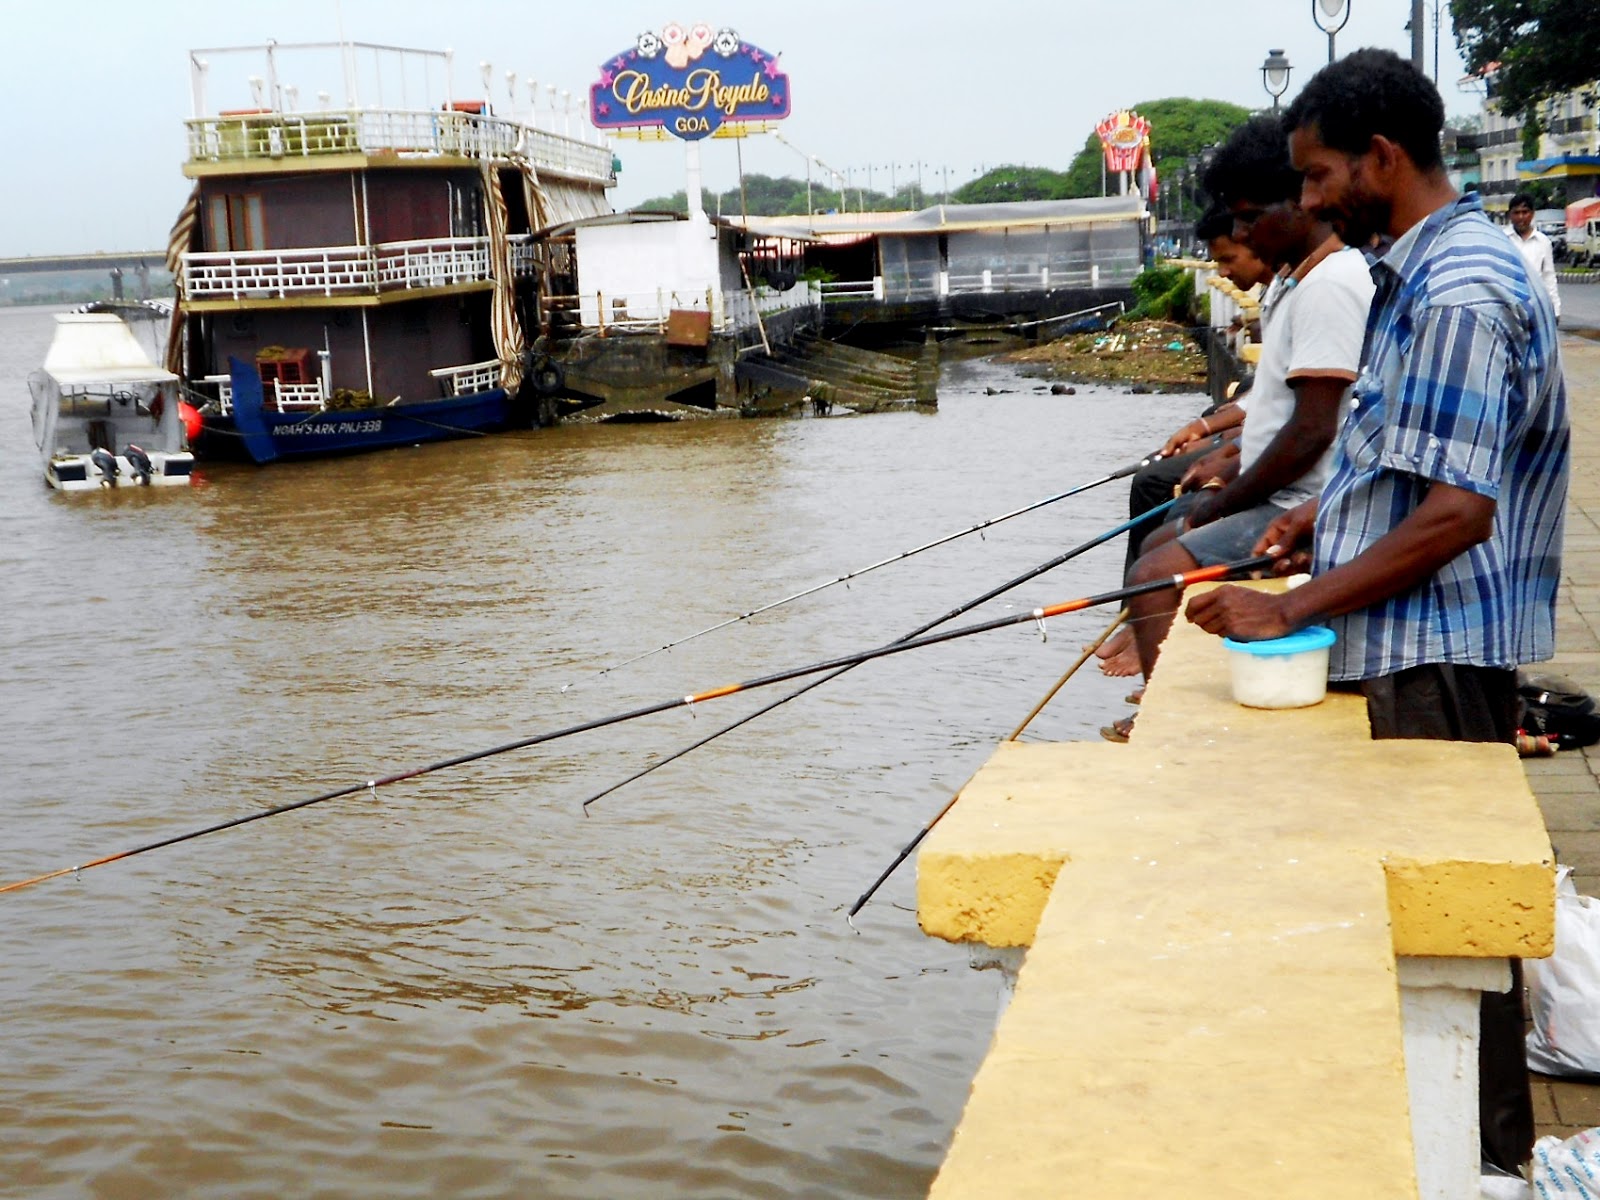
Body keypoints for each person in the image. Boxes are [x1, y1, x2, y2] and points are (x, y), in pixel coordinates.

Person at [1185, 48, 1569, 1175]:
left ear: (1381, 160)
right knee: (1420, 937)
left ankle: (1487, 1167)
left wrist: (1290, 604)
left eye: (1314, 177)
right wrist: (1322, 520)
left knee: (1451, 936)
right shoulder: (1423, 270)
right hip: (1412, 648)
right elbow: (1405, 467)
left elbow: (1457, 513)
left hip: (1436, 663)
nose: (1302, 202)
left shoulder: (1455, 292)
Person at [1101, 116, 1374, 731]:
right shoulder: (1306, 282)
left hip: (1307, 502)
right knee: (1161, 530)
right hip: (1285, 490)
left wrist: (1222, 505)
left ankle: (1163, 720)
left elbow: (1311, 432)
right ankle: (1156, 667)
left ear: (1301, 203)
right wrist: (1226, 466)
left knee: (1152, 568)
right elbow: (1279, 406)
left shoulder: (1331, 286)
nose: (1244, 233)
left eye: (1250, 219)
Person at [1097, 208, 1276, 679]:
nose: (1221, 273)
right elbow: (1273, 398)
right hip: (1250, 443)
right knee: (1156, 486)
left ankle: (1143, 625)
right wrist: (1214, 430)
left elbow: (1309, 421)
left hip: (1279, 480)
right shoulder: (1284, 291)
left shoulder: (1321, 289)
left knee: (1159, 487)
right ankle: (1138, 618)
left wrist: (1227, 472)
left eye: (1228, 257)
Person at [1507, 191, 1561, 321]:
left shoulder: (1543, 242)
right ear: (1510, 215)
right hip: (1509, 309)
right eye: (1516, 212)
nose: (1521, 217)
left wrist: (1556, 309)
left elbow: (1549, 277)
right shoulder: (1502, 239)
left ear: (1532, 214)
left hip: (1537, 308)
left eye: (1525, 212)